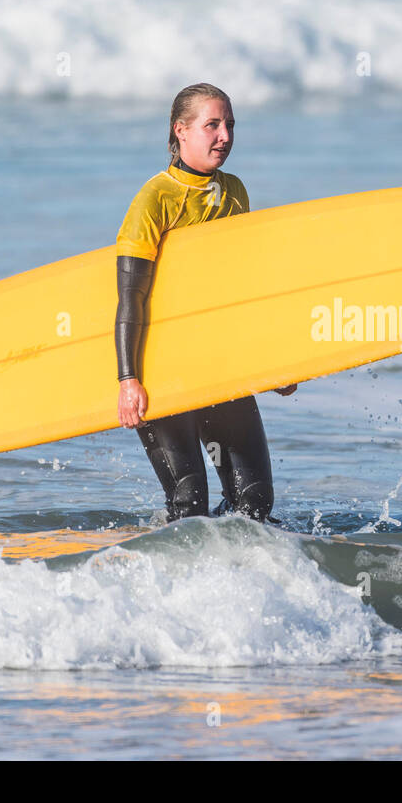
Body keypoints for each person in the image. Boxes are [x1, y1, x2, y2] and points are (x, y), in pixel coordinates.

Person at [114, 82, 296, 523]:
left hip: (221, 369)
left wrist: (274, 363)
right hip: (164, 373)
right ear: (180, 130)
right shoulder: (155, 198)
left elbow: (241, 294)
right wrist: (128, 378)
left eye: (230, 125)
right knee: (188, 504)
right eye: (212, 124)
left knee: (254, 506)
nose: (225, 136)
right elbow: (129, 296)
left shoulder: (234, 192)